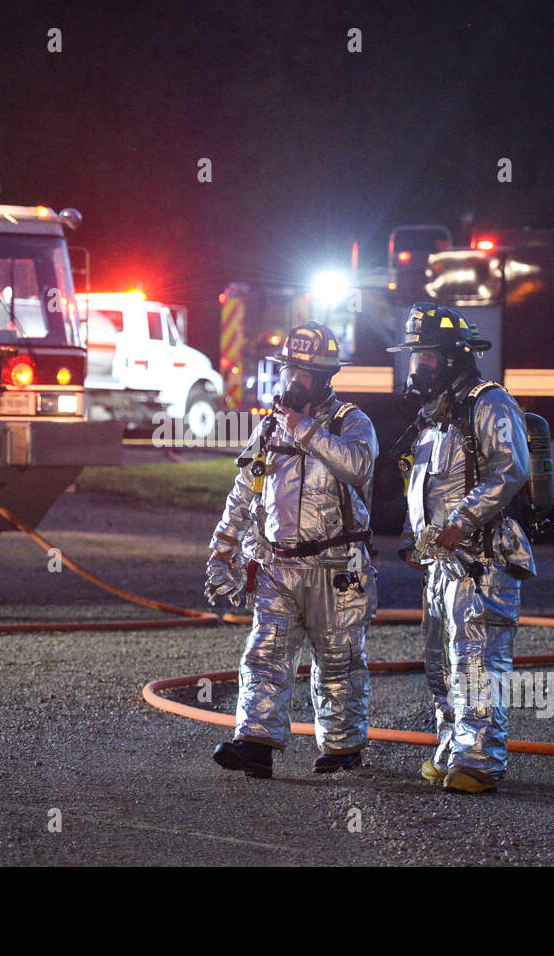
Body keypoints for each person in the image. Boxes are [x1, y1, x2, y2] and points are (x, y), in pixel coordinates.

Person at [206, 322, 378, 779]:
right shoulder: (269, 426)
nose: (293, 380)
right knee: (265, 653)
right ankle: (255, 742)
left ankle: (342, 749)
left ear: (325, 378)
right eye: (290, 370)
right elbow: (243, 491)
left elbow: (359, 466)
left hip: (337, 568)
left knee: (338, 660)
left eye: (304, 373)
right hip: (279, 566)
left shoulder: (350, 422)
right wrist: (223, 550)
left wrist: (306, 432)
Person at [389, 303, 535, 794]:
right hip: (442, 565)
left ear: (453, 358)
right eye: (414, 357)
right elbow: (425, 486)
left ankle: (479, 761)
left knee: (476, 662)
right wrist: (417, 538)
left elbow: (510, 469)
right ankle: (452, 749)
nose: (416, 368)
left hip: (484, 560)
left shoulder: (488, 402)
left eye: (426, 357)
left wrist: (461, 522)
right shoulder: (435, 416)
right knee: (440, 663)